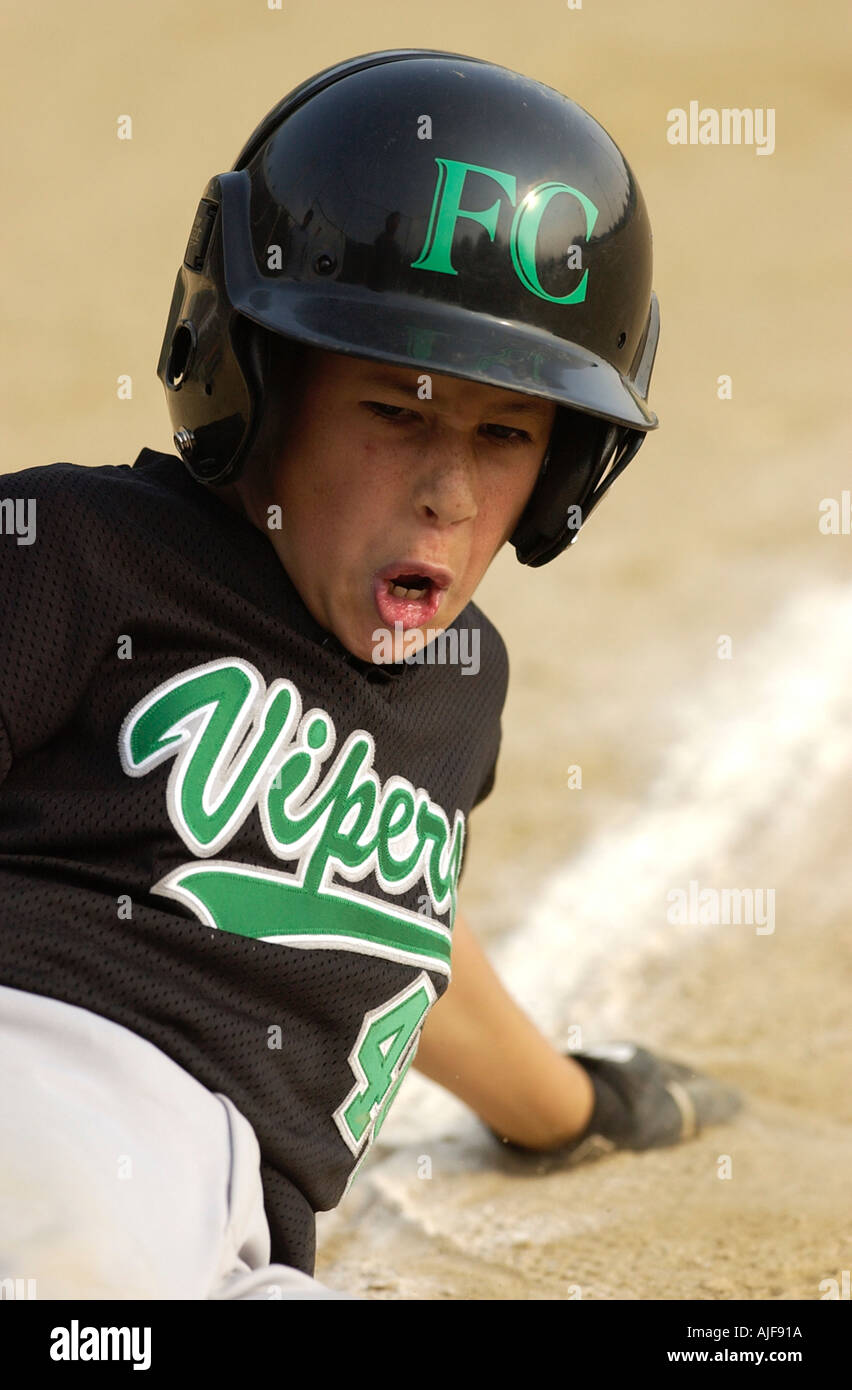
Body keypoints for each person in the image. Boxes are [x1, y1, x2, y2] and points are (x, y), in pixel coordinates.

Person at [0, 48, 739, 1302]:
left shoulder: (459, 687)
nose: (450, 489)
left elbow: (379, 921)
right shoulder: (78, 556)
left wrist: (568, 1104)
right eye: (397, 408)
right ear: (256, 379)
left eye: (506, 434)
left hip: (232, 1243)